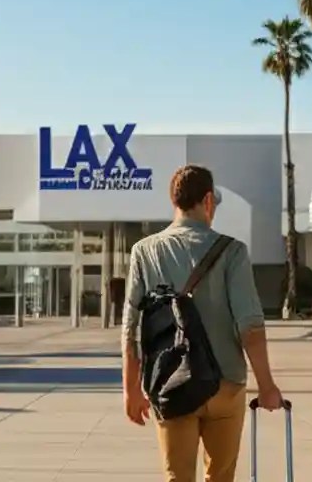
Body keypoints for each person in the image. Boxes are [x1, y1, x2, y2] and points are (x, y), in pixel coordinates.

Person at [121, 164, 284, 482]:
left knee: (178, 477)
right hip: (225, 384)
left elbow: (131, 329)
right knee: (221, 476)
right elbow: (250, 326)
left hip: (170, 384)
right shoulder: (232, 252)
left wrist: (131, 392)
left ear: (175, 202)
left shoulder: (144, 252)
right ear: (208, 201)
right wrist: (267, 387)